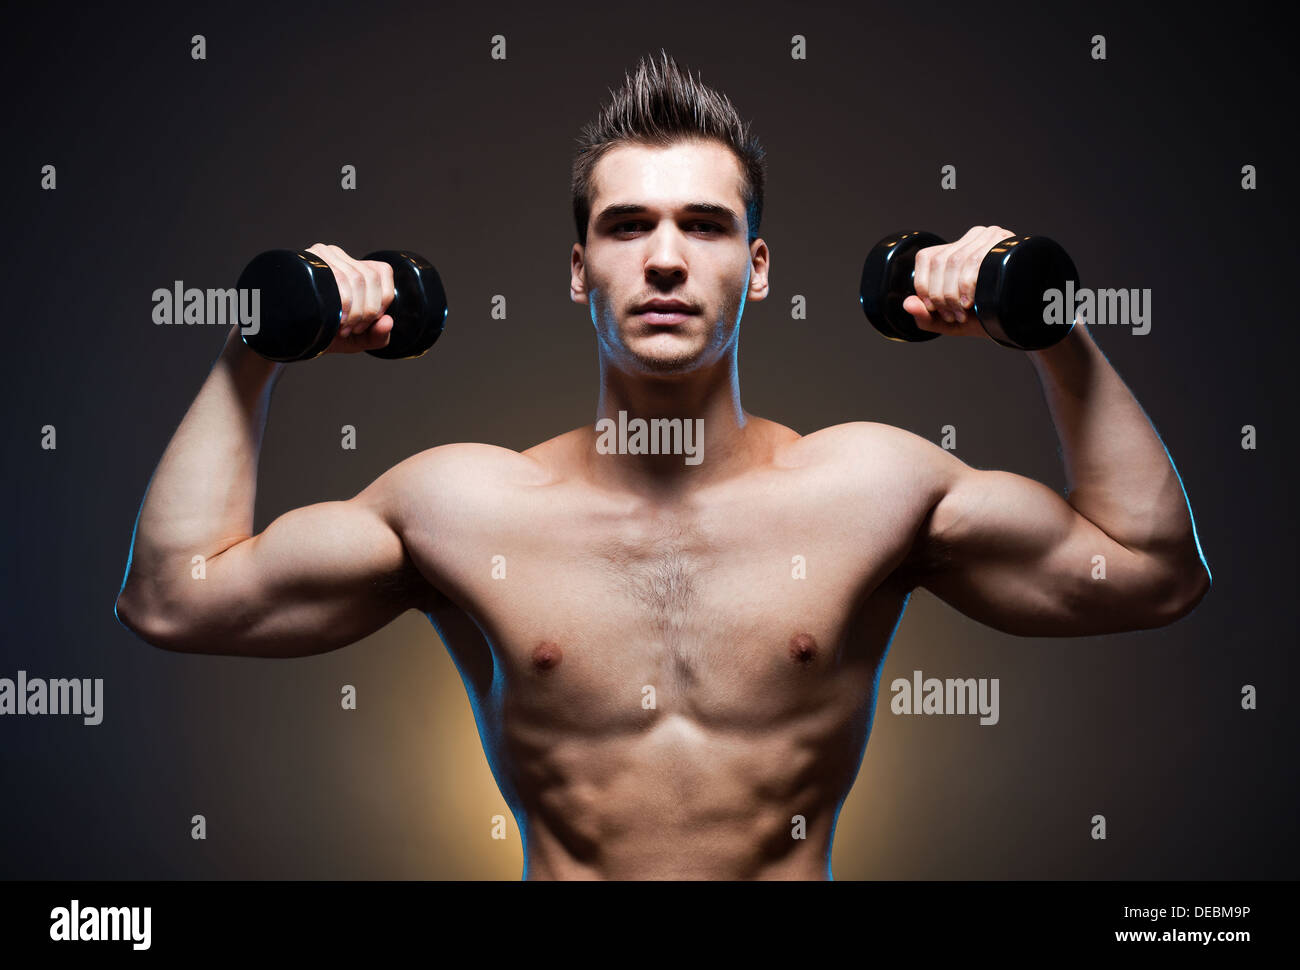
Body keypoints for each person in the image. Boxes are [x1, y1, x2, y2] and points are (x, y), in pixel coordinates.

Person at [115, 50, 1210, 880]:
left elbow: (1155, 570)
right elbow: (174, 599)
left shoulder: (874, 489)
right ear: (580, 269)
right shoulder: (460, 505)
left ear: (760, 263)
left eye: (706, 225)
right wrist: (260, 343)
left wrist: (1051, 328)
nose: (668, 259)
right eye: (628, 226)